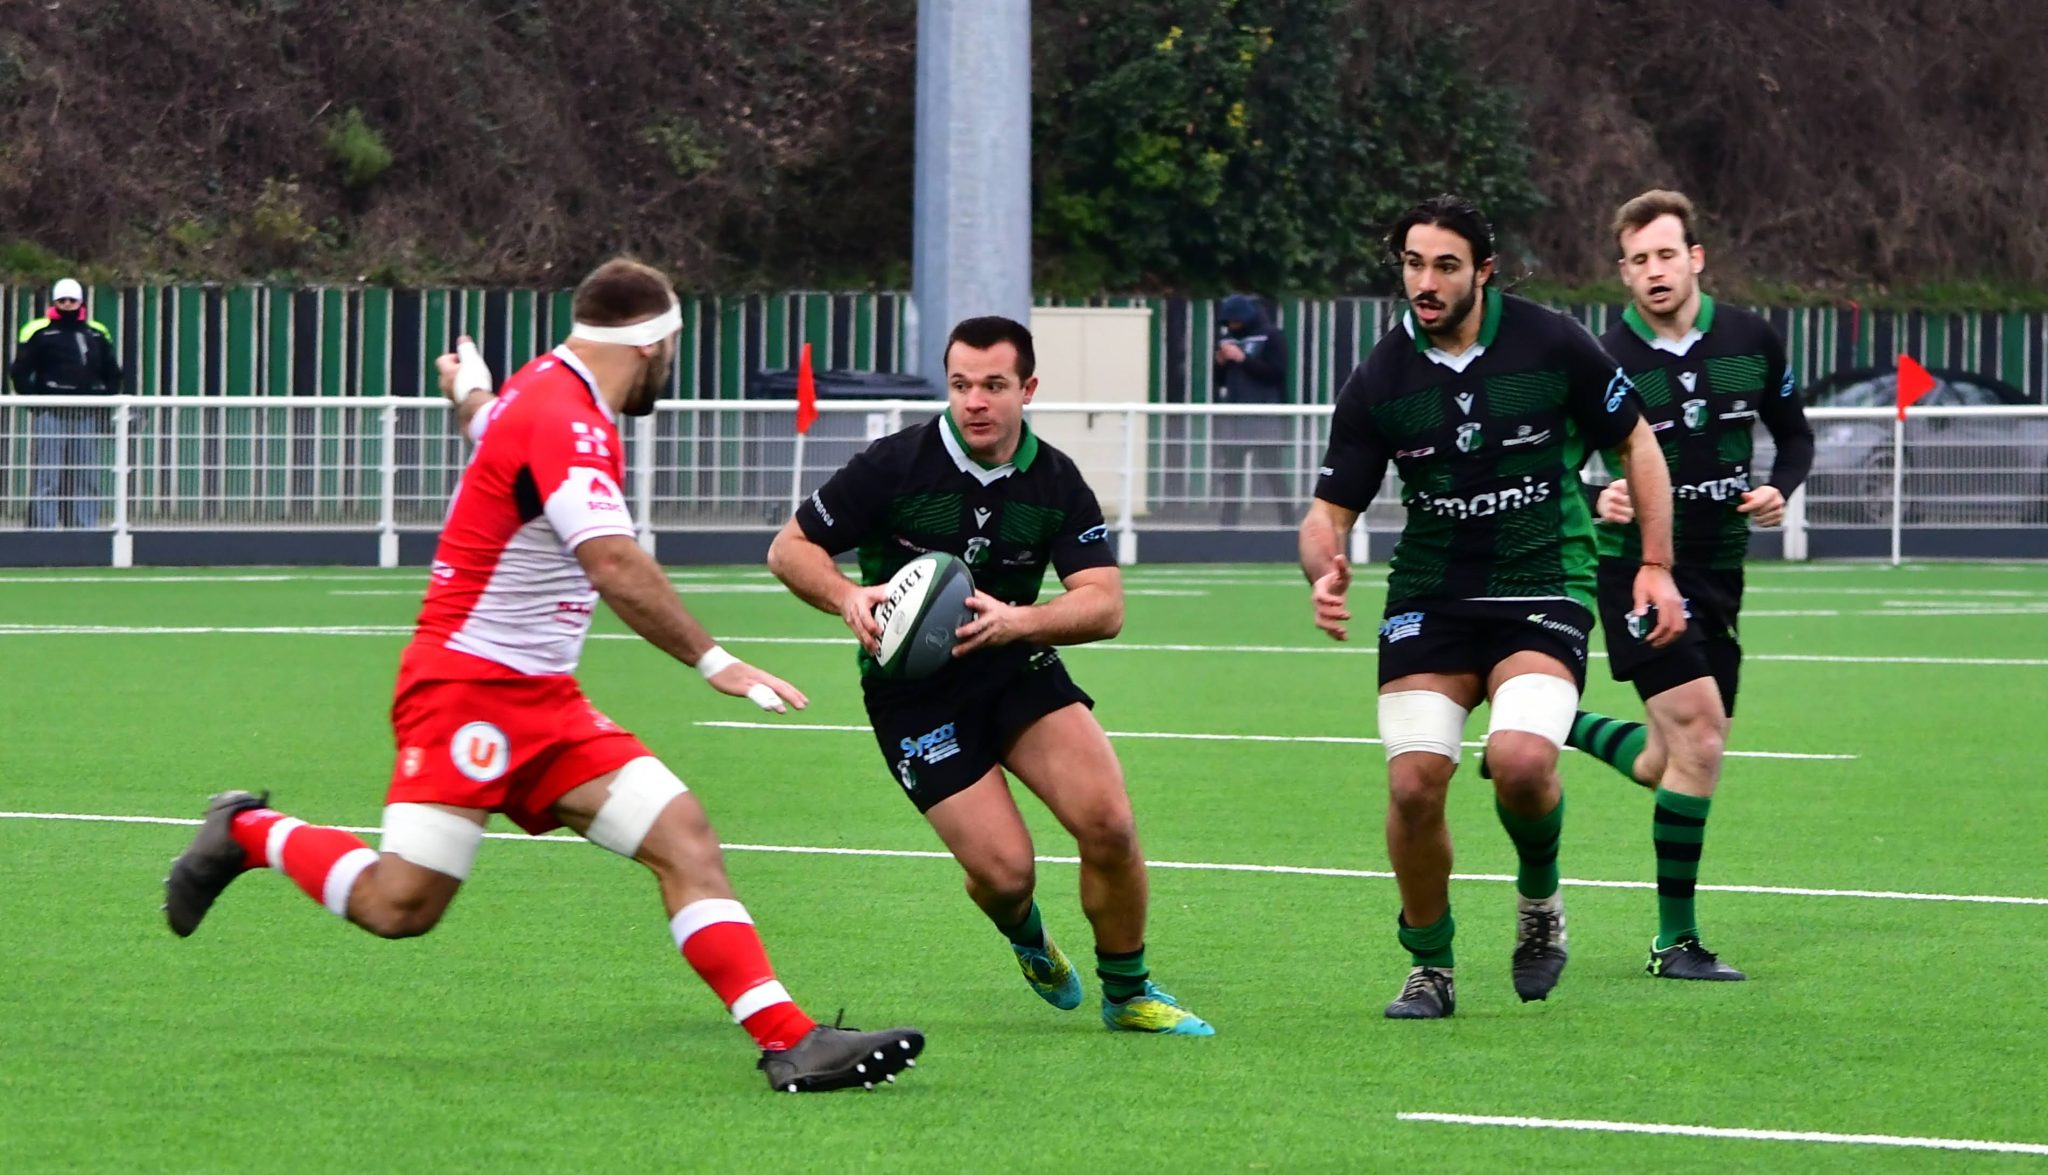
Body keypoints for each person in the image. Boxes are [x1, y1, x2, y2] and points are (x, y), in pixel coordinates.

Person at [161, 258, 924, 1094]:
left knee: (684, 835)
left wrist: (466, 391)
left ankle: (792, 1041)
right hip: (465, 695)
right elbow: (615, 564)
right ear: (655, 341)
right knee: (399, 906)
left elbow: (493, 430)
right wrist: (718, 662)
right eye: (673, 349)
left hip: (545, 701)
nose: (670, 366)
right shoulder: (569, 419)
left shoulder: (543, 390)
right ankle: (247, 831)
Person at [766, 315, 1214, 1037]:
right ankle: (1029, 936)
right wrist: (848, 595)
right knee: (1007, 875)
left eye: (994, 385)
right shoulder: (895, 464)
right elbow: (789, 548)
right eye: (961, 384)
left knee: (1110, 821)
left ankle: (1128, 992)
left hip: (1016, 665)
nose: (974, 401)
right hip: (913, 693)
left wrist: (1019, 621)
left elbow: (1104, 604)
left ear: (1027, 388)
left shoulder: (1056, 479)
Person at [1298, 194, 1686, 1020]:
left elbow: (1637, 440)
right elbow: (1330, 509)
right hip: (1430, 596)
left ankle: (1539, 902)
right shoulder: (1379, 375)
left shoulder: (1550, 341)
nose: (1425, 282)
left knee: (1518, 760)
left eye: (1444, 265)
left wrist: (1655, 563)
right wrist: (1322, 567)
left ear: (1484, 270)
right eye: (1412, 264)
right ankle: (1429, 966)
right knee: (1413, 784)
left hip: (1542, 581)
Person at [1565, 189, 1815, 982]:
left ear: (1696, 257)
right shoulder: (1601, 359)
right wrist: (1588, 493)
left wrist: (1784, 487)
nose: (1654, 271)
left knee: (1671, 758)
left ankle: (1554, 723)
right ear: (1623, 274)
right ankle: (1675, 942)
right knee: (1701, 737)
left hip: (1720, 571)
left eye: (1666, 254)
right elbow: (1549, 453)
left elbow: (1796, 432)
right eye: (1638, 261)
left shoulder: (1751, 338)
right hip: (1636, 571)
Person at [9, 278, 123, 529]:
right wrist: (37, 402)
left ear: (81, 302)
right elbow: (19, 372)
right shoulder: (38, 331)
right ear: (55, 302)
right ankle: (43, 530)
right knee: (47, 475)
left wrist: (104, 401)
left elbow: (112, 373)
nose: (67, 304)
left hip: (87, 414)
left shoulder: (96, 332)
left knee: (86, 475)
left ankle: (85, 528)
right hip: (51, 413)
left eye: (72, 300)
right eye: (62, 300)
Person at [1212, 293, 1293, 527]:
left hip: (1265, 415)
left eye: (1235, 321)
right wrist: (1220, 364)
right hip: (1235, 417)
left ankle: (1288, 522)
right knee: (1232, 474)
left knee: (1273, 471)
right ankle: (1228, 526)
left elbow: (1276, 373)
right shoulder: (1228, 339)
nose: (1231, 326)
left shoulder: (1272, 336)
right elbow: (1221, 382)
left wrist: (1242, 359)